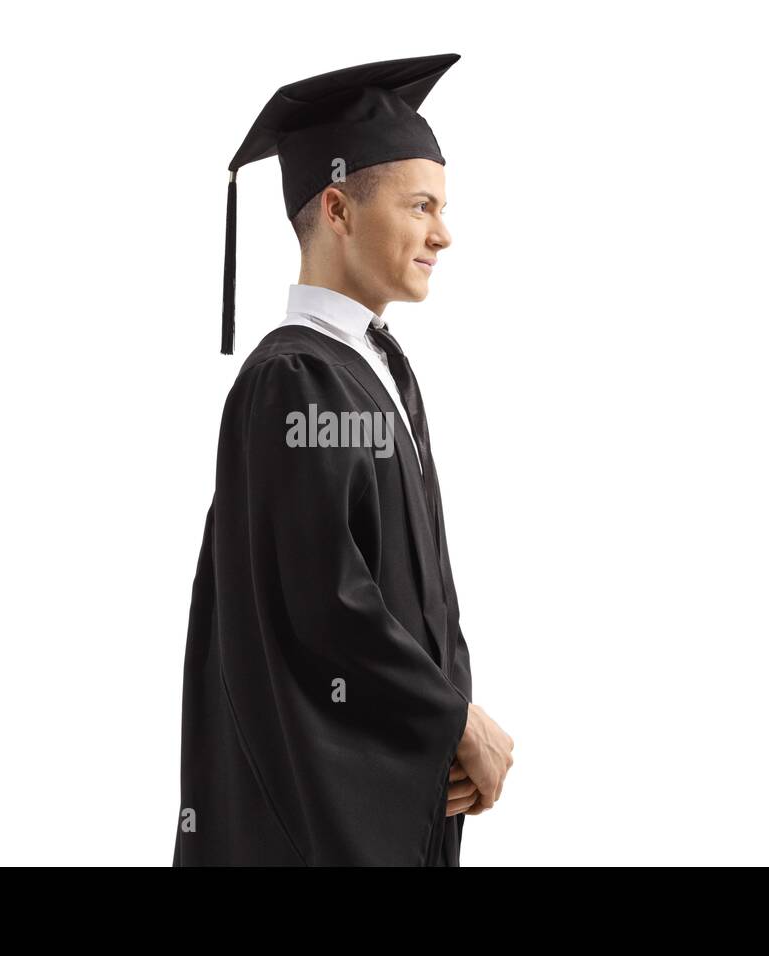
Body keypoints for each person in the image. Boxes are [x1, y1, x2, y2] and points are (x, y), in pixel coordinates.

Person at [173, 54, 514, 867]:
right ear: (337, 207)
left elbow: (421, 586)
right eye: (421, 205)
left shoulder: (380, 369)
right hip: (320, 828)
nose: (444, 233)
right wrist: (452, 722)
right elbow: (323, 598)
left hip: (406, 797)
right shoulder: (295, 379)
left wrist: (447, 729)